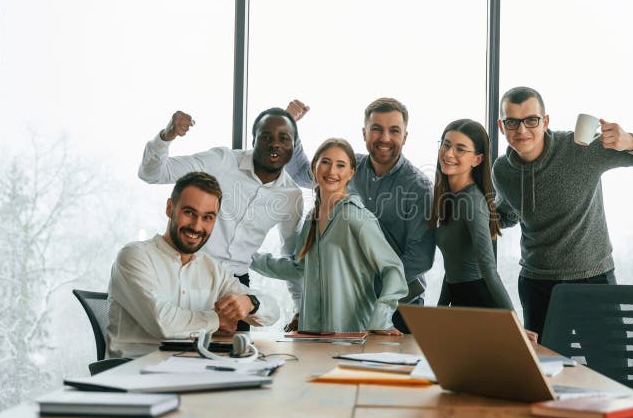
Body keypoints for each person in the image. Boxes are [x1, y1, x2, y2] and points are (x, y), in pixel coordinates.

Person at [492, 86, 633, 336]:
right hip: (537, 286)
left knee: (609, 370)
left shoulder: (580, 148)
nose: (522, 130)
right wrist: (477, 217)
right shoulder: (502, 171)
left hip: (593, 280)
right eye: (512, 122)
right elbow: (509, 212)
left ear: (545, 122)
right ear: (502, 127)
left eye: (531, 120)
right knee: (543, 372)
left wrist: (628, 140)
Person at [137, 107, 304, 330]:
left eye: (284, 138)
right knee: (176, 348)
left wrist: (300, 309)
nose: (275, 144)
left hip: (235, 289)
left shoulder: (291, 197)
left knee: (237, 359)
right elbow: (152, 173)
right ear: (253, 139)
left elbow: (292, 257)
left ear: (294, 146)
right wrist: (166, 137)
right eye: (266, 136)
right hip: (189, 275)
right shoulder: (222, 161)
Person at [285, 98, 434, 332]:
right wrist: (288, 124)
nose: (385, 138)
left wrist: (365, 287)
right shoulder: (348, 168)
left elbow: (420, 258)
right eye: (377, 129)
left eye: (394, 131)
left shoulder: (419, 187)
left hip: (399, 308)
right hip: (349, 305)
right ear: (364, 133)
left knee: (388, 369)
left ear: (405, 137)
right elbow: (303, 172)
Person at [107, 172, 279, 358]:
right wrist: (216, 320)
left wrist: (250, 303)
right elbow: (162, 323)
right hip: (134, 374)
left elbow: (273, 312)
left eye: (208, 217)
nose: (197, 227)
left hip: (192, 369)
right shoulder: (134, 256)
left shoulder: (212, 268)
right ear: (170, 208)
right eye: (189, 213)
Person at [250, 138, 408, 334]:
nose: (332, 171)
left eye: (340, 165)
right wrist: (247, 256)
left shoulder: (355, 216)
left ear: (351, 173)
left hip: (352, 334)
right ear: (314, 166)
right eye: (325, 162)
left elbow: (393, 269)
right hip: (313, 335)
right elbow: (299, 269)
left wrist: (381, 319)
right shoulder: (312, 218)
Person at [430, 119, 514, 311]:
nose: (449, 153)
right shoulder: (449, 198)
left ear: (477, 159)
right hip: (459, 300)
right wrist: (440, 309)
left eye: (460, 149)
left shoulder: (472, 201)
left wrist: (514, 323)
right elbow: (453, 266)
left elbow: (489, 270)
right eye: (446, 145)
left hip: (480, 303)